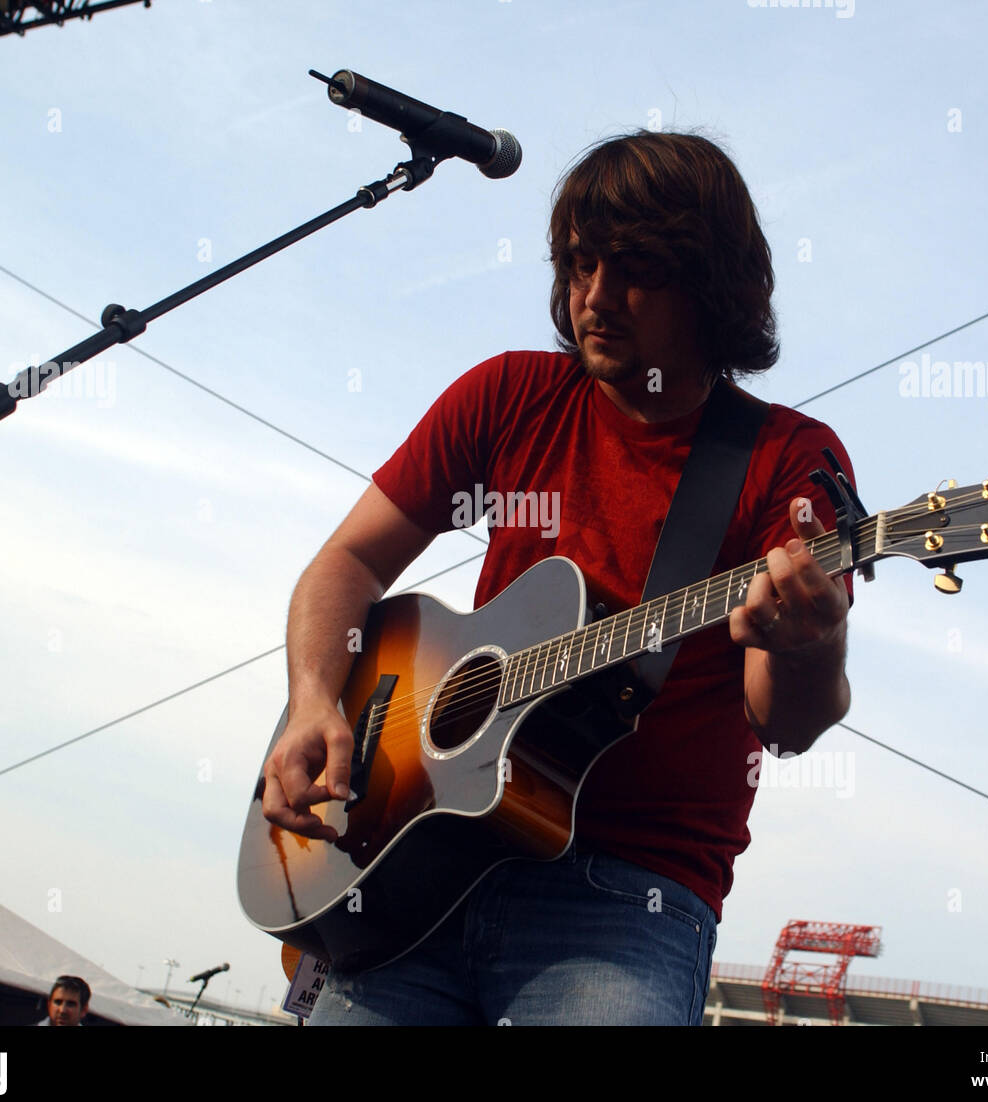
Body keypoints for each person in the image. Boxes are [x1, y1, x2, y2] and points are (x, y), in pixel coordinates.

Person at [262, 130, 854, 1025]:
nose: (595, 297)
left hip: (626, 902)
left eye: (635, 269)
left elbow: (787, 720)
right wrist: (313, 700)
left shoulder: (783, 459)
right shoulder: (508, 397)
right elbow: (346, 562)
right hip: (413, 878)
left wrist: (813, 643)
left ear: (711, 280)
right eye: (578, 265)